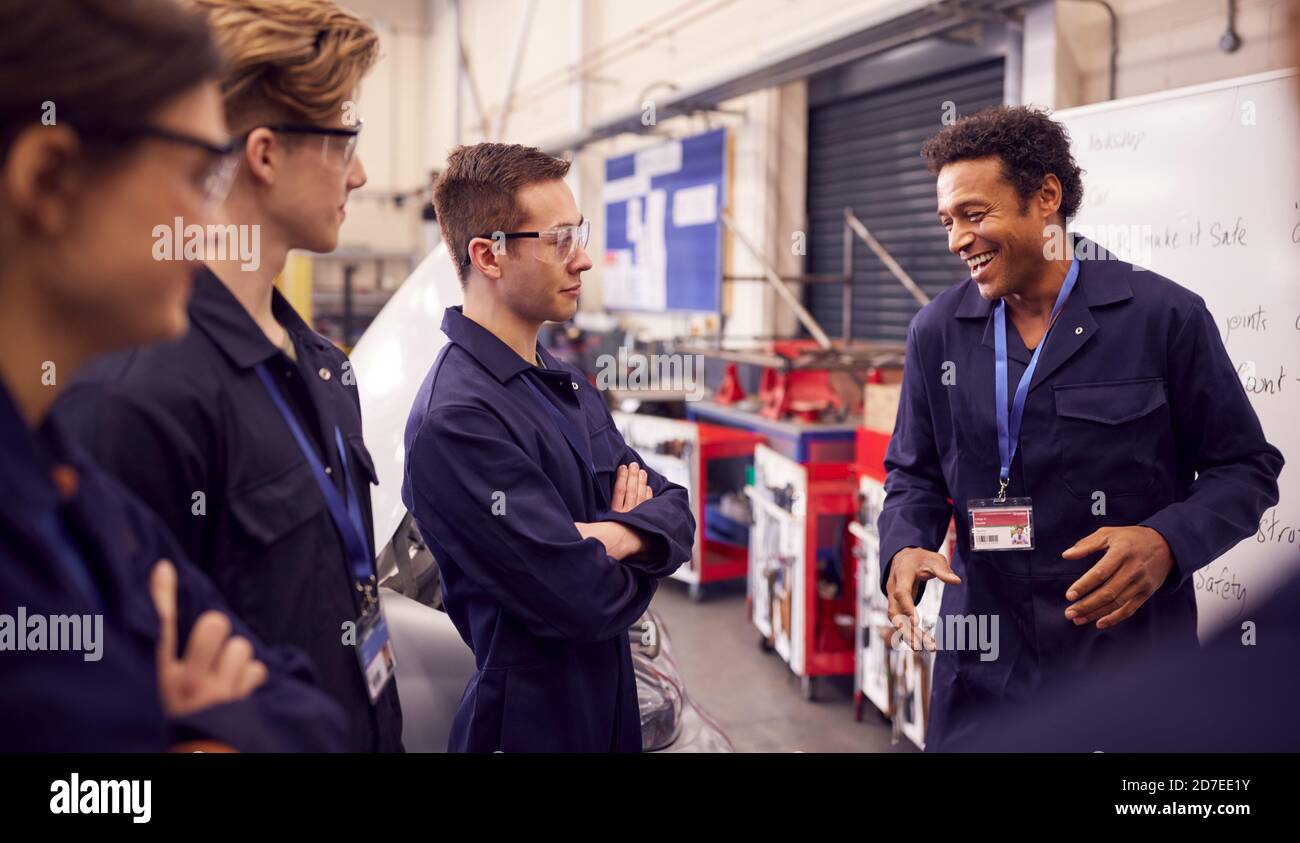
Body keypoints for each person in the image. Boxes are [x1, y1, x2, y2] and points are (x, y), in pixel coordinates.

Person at [878, 105, 1283, 751]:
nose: (957, 239)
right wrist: (903, 545)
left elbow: (1246, 469)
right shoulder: (937, 332)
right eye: (948, 221)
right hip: (985, 662)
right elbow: (914, 472)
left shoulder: (1163, 317)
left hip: (1133, 664)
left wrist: (1166, 541)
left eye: (975, 215)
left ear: (1046, 197)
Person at [54, 0, 402, 751]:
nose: (363, 171)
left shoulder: (320, 365)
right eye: (346, 140)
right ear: (266, 154)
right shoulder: (135, 397)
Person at [402, 143, 695, 752]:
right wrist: (634, 537)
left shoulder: (560, 380)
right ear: (489, 255)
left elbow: (675, 508)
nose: (584, 259)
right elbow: (584, 598)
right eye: (561, 239)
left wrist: (606, 536)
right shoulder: (456, 421)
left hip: (609, 714)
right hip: (529, 731)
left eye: (578, 234)